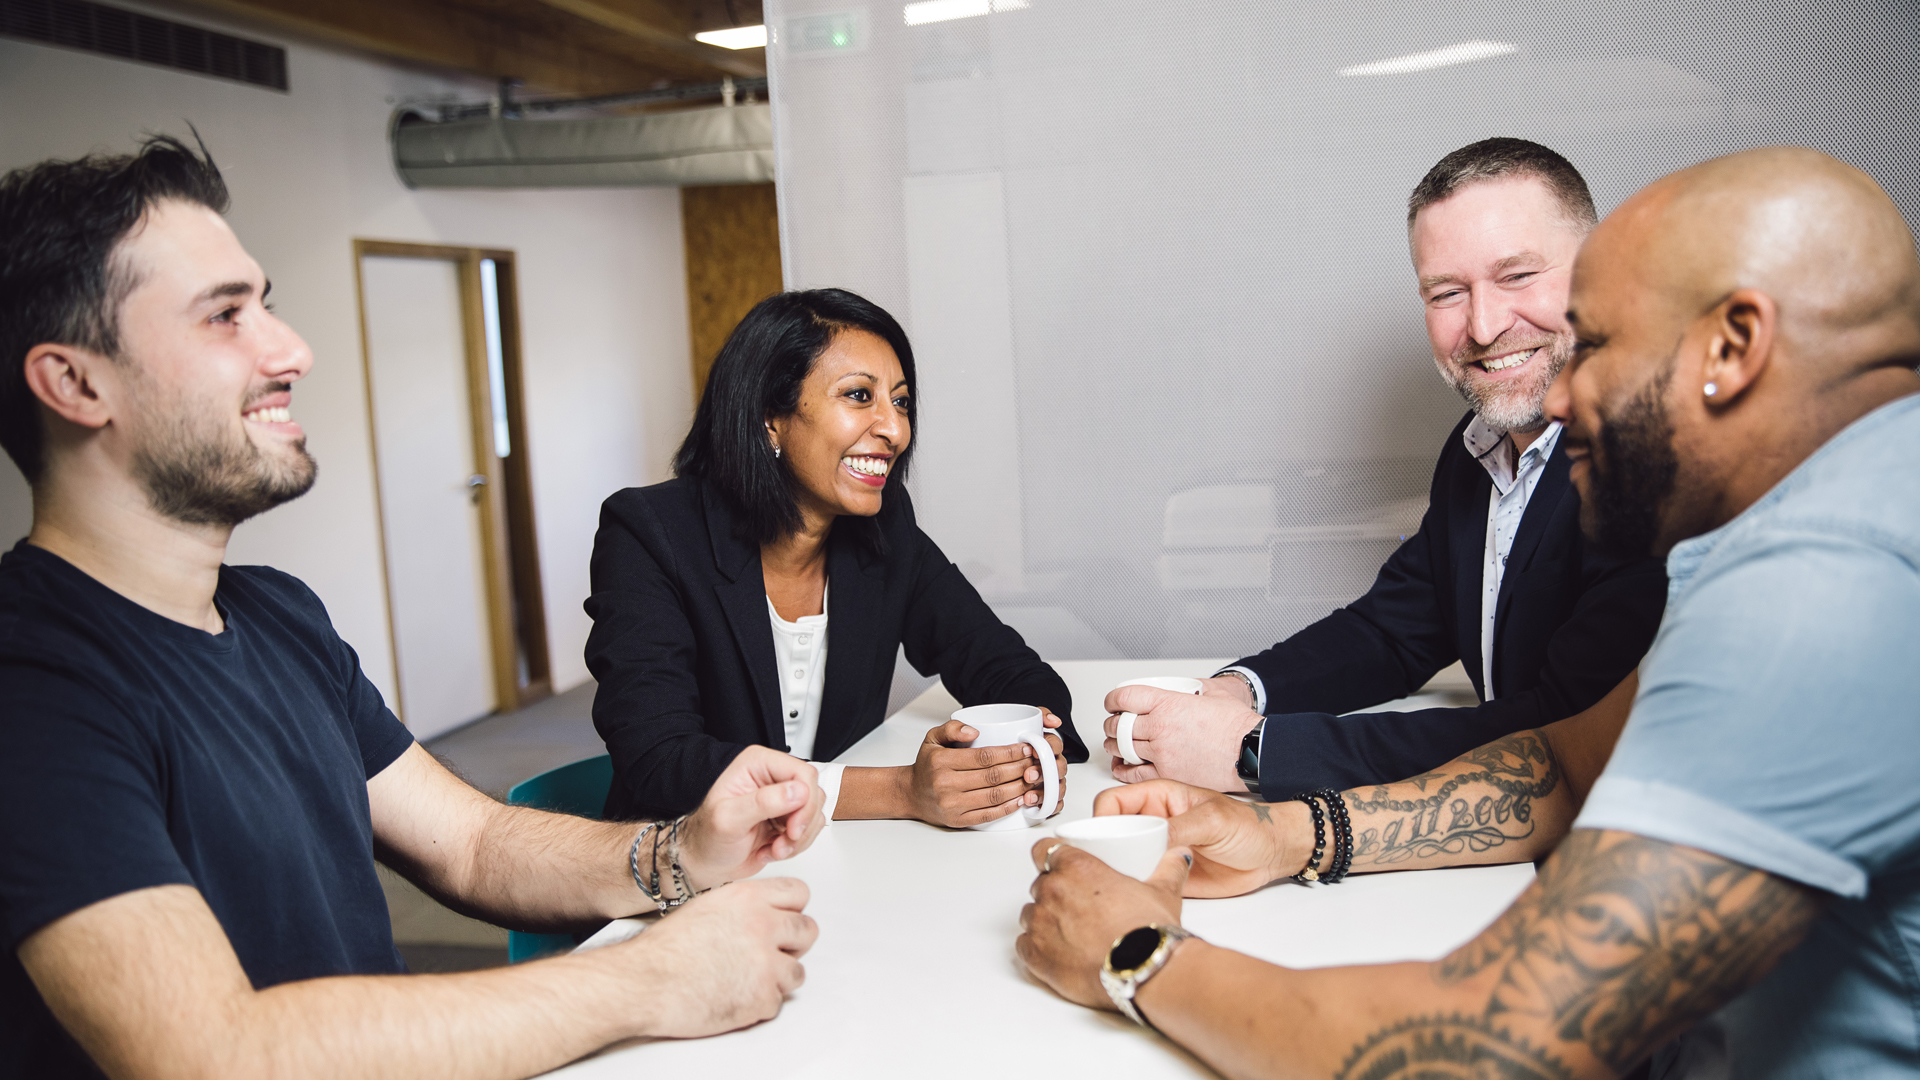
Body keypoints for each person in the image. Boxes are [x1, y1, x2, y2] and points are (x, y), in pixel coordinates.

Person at [1017, 146, 1920, 1078]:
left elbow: (1496, 1049)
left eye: (1599, 344)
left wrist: (1136, 957)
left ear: (1733, 348)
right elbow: (1565, 768)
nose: (1559, 393)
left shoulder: (1826, 589)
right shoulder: (1817, 522)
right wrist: (1287, 834)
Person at [0, 137, 830, 1080]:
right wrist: (654, 980)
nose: (291, 349)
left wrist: (683, 850)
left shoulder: (277, 615)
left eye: (263, 302)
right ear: (74, 383)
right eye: (225, 316)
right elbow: (207, 1053)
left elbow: (472, 847)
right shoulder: (32, 688)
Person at [1108, 138, 1667, 800]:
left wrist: (1254, 752)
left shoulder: (1650, 467)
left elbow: (1563, 726)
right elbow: (1393, 632)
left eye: (1518, 276)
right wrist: (1231, 691)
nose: (1485, 325)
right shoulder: (1478, 447)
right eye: (1447, 292)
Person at [586, 288, 1086, 826]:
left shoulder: (883, 527)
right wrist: (899, 792)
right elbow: (662, 761)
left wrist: (1027, 749)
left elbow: (1004, 667)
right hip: (684, 870)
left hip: (834, 857)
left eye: (900, 401)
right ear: (769, 417)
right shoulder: (647, 533)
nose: (895, 430)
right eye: (858, 396)